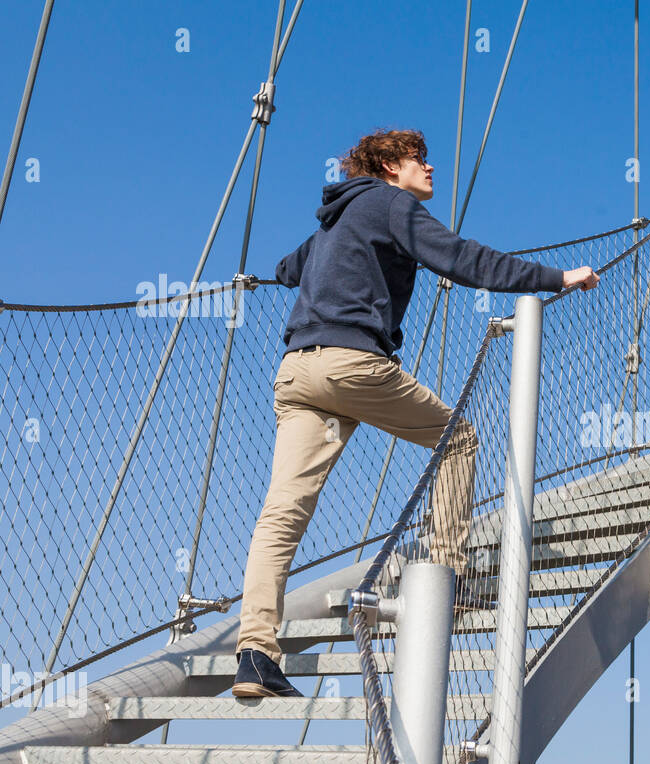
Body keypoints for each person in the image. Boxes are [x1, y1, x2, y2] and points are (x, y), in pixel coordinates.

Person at [232, 128, 598, 698]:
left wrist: (264, 277)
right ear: (386, 166)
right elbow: (463, 259)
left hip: (298, 372)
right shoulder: (388, 203)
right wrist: (557, 277)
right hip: (352, 366)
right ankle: (444, 576)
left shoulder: (333, 221)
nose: (430, 168)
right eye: (418, 159)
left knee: (282, 512)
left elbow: (292, 266)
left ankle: (255, 652)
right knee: (458, 439)